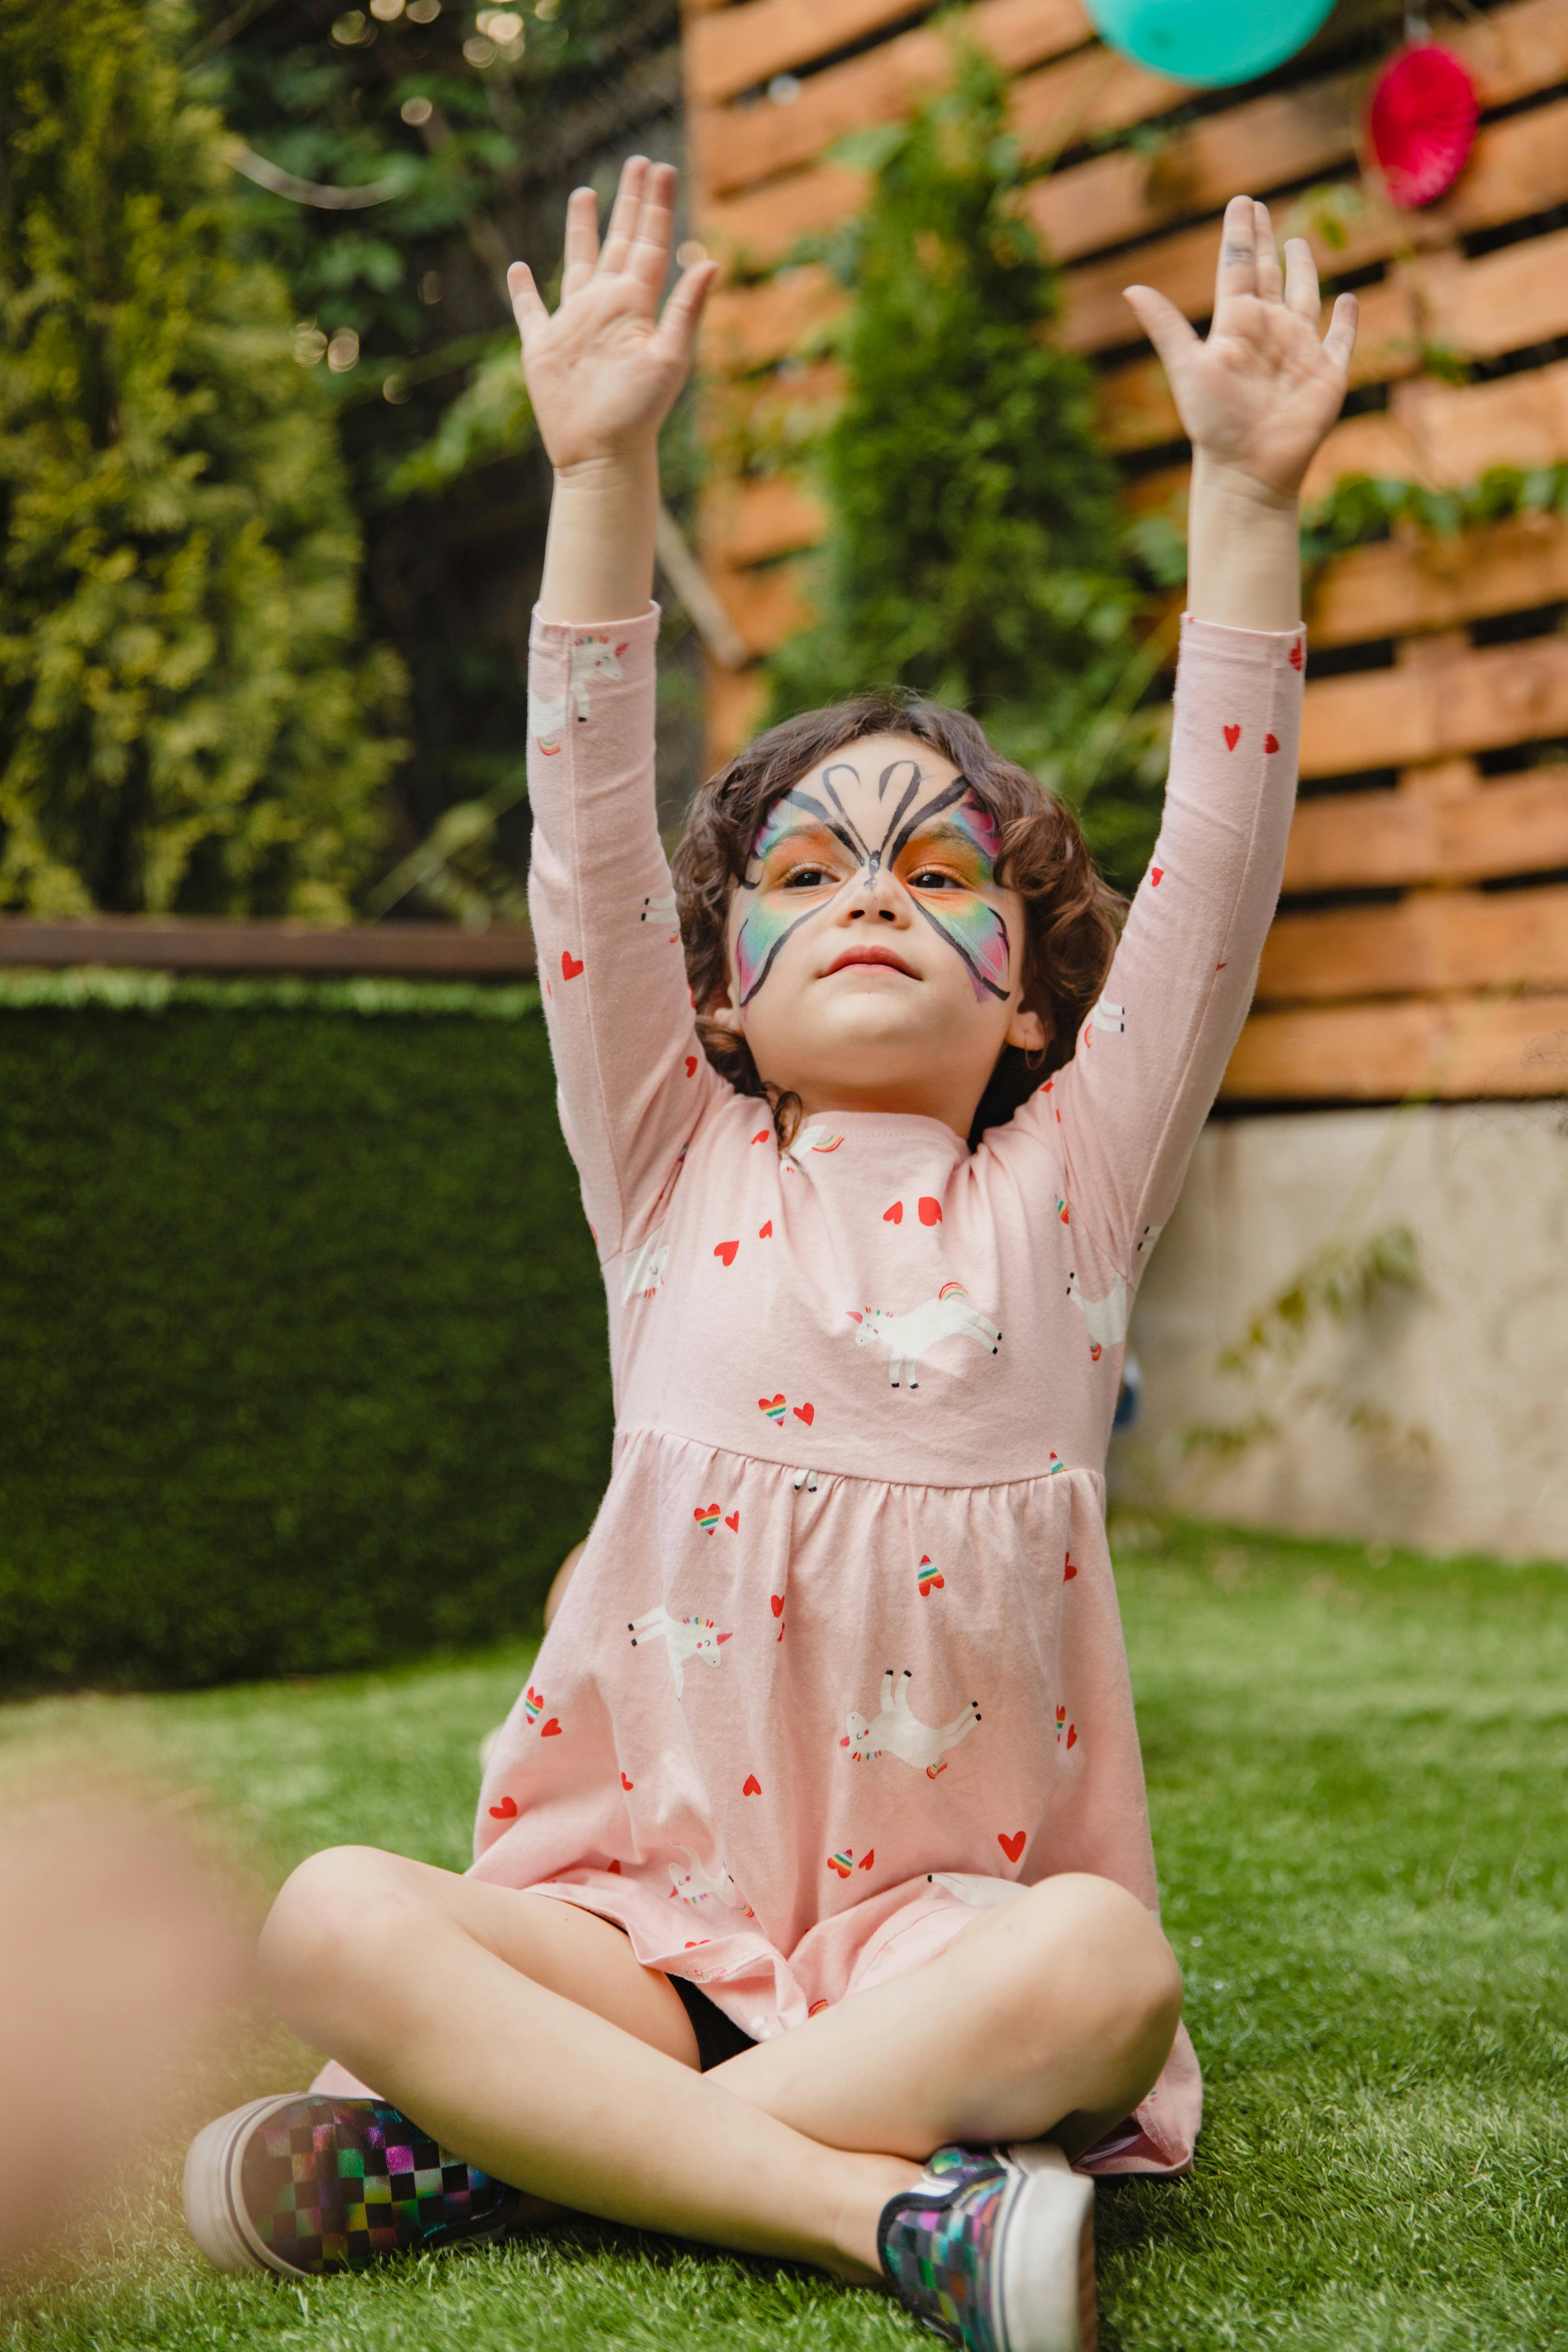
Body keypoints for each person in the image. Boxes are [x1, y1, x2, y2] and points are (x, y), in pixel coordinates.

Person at [182, 161, 1355, 2352]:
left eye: (943, 868)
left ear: (1031, 1000)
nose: (880, 890)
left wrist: (1247, 503)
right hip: (635, 1935)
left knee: (1109, 1975)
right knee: (331, 1912)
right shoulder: (664, 1149)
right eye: (809, 868)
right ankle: (877, 2218)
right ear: (717, 988)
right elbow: (588, 832)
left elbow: (1223, 860)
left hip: (944, 1941)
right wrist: (606, 463)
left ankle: (497, 2161)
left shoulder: (1075, 1185)